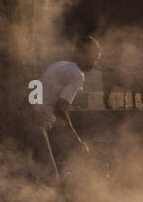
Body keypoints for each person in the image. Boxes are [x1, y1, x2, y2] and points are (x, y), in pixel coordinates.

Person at [27, 36, 101, 181]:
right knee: (51, 178)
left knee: (33, 175)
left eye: (97, 59)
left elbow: (38, 94)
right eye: (93, 58)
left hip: (28, 118)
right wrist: (77, 140)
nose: (95, 63)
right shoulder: (77, 75)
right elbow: (60, 109)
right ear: (79, 53)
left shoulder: (58, 65)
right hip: (38, 124)